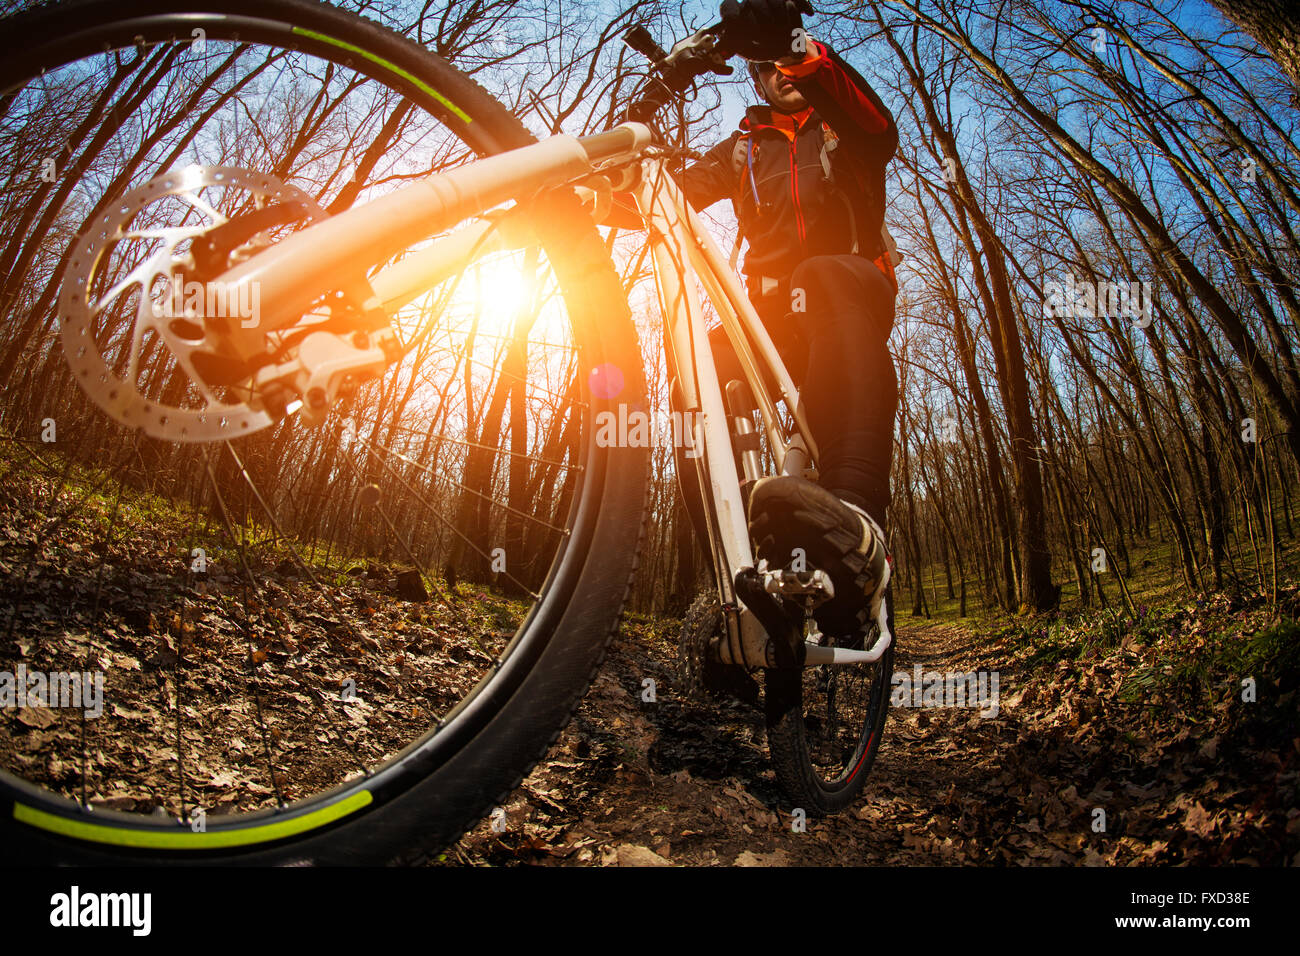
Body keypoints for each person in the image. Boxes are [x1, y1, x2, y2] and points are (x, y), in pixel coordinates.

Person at [675, 0, 900, 642]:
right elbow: (664, 200)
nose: (782, 70)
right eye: (769, 63)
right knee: (694, 375)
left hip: (846, 293)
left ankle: (858, 533)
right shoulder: (742, 147)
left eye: (789, 58)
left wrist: (804, 54)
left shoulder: (839, 120)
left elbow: (878, 130)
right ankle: (732, 582)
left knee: (820, 277)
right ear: (755, 79)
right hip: (768, 317)